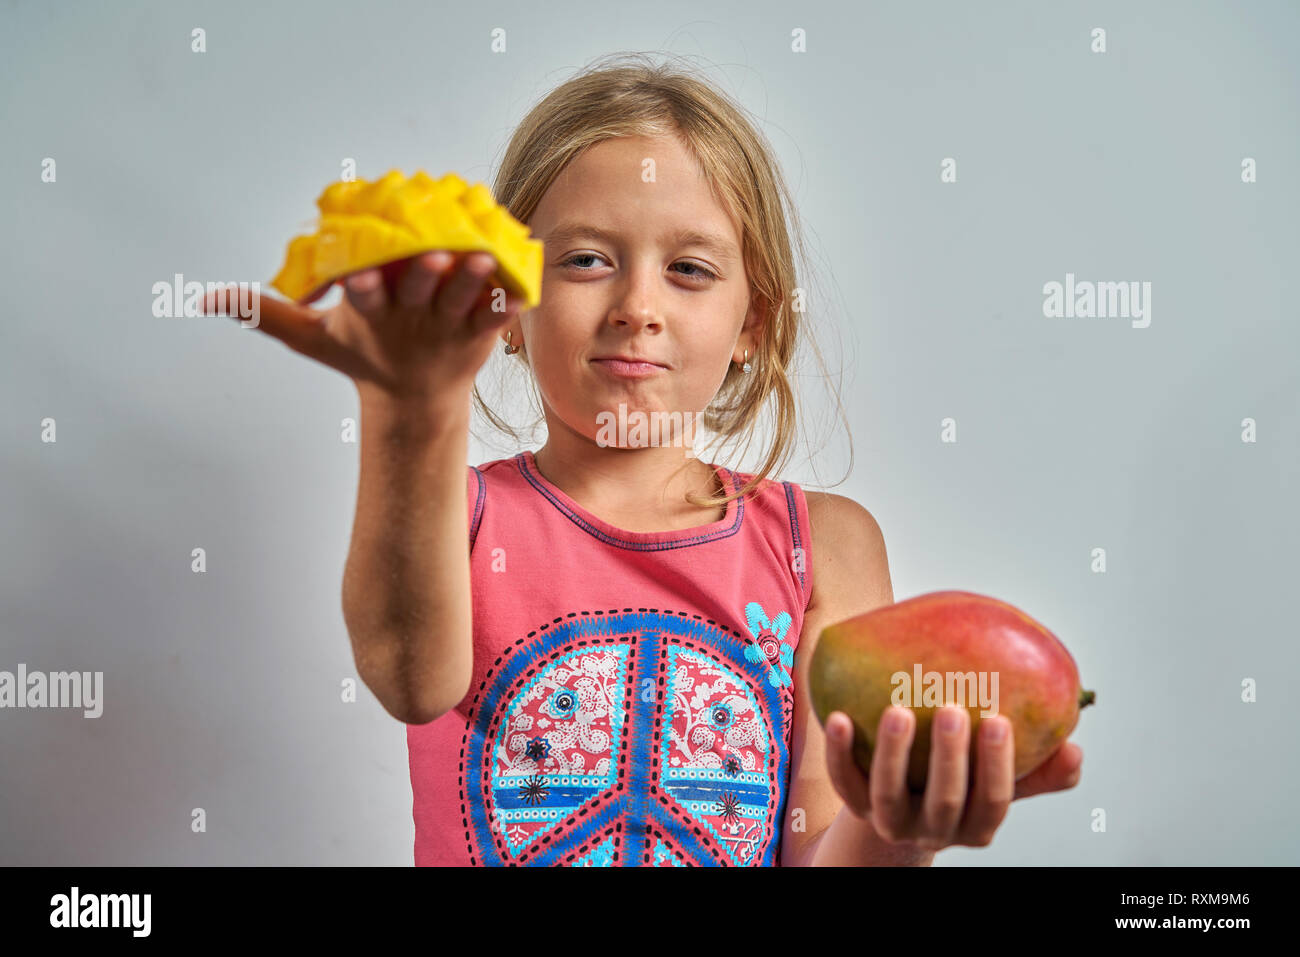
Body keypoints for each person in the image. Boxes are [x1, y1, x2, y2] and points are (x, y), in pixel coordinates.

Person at [202, 53, 1082, 866]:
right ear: (509, 304)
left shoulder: (827, 548)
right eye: (586, 259)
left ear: (753, 324)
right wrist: (412, 409)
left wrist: (896, 833)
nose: (637, 305)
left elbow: (822, 844)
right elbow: (408, 675)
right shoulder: (459, 518)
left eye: (690, 270)